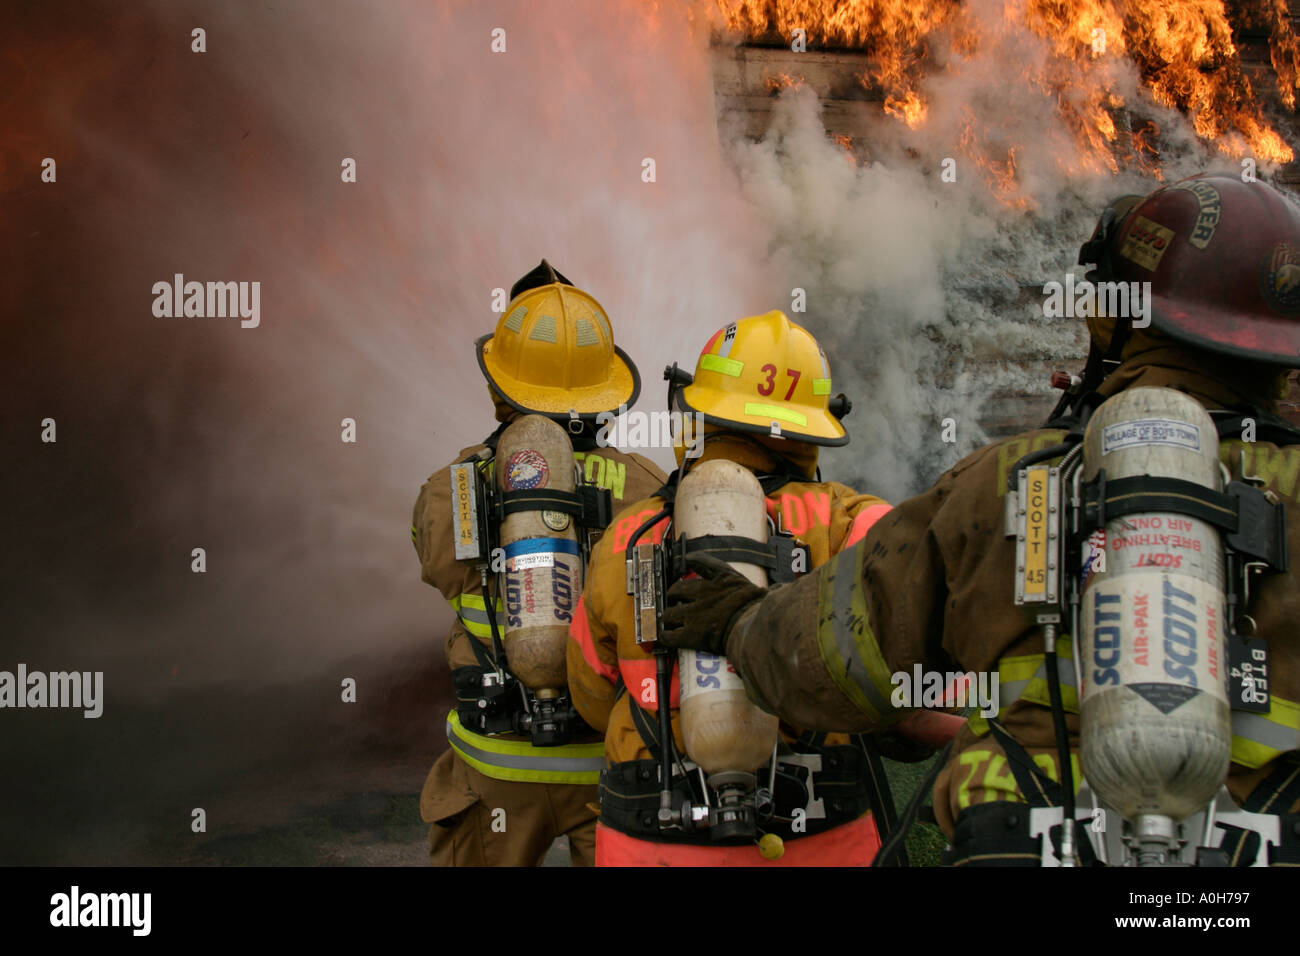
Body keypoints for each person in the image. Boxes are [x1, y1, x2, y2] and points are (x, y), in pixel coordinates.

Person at [660, 174, 1300, 866]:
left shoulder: (1009, 482)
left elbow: (841, 656)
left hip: (1020, 846)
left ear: (1115, 315)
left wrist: (740, 623)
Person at [567, 309, 925, 866]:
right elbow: (924, 672)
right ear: (814, 425)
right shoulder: (854, 523)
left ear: (701, 409)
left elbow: (589, 696)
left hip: (651, 838)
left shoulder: (623, 537)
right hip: (816, 840)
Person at [412, 260, 667, 866]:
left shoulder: (451, 488)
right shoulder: (650, 488)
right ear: (607, 396)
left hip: (493, 764)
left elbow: (438, 569)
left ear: (500, 389)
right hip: (609, 766)